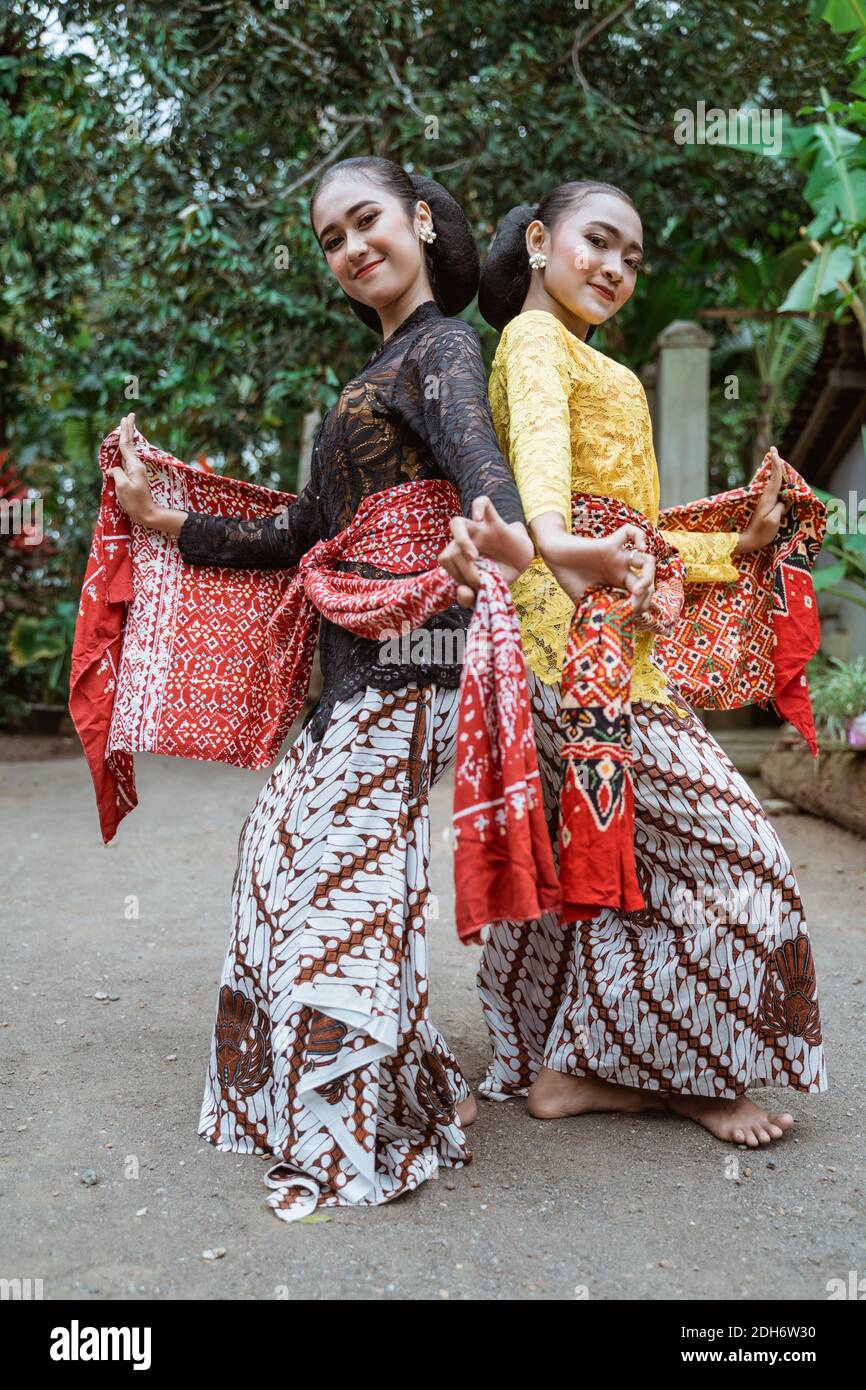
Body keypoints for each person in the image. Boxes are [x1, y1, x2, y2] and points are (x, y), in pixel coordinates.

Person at [107, 158, 652, 1219]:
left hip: (409, 658)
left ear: (416, 221)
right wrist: (164, 517)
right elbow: (303, 531)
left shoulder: (444, 345)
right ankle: (362, 1087)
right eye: (330, 239)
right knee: (277, 861)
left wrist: (492, 543)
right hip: (344, 665)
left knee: (344, 884)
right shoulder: (376, 368)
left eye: (368, 223)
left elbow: (482, 470)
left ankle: (350, 1123)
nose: (353, 248)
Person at [468, 180, 826, 1148]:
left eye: (632, 256)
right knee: (734, 857)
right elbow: (547, 493)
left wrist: (738, 546)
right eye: (598, 242)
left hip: (604, 644)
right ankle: (683, 1068)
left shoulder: (598, 368)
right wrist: (553, 540)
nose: (616, 268)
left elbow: (633, 536)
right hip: (575, 655)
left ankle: (567, 1072)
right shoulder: (533, 343)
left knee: (613, 867)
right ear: (540, 242)